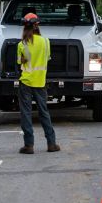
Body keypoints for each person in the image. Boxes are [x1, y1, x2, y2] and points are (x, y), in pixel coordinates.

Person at [17, 13, 59, 154]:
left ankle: (29, 145)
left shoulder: (22, 44)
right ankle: (51, 143)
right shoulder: (45, 42)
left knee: (26, 113)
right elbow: (46, 59)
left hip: (26, 83)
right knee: (44, 113)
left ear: (25, 26)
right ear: (37, 25)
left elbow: (21, 62)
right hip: (40, 83)